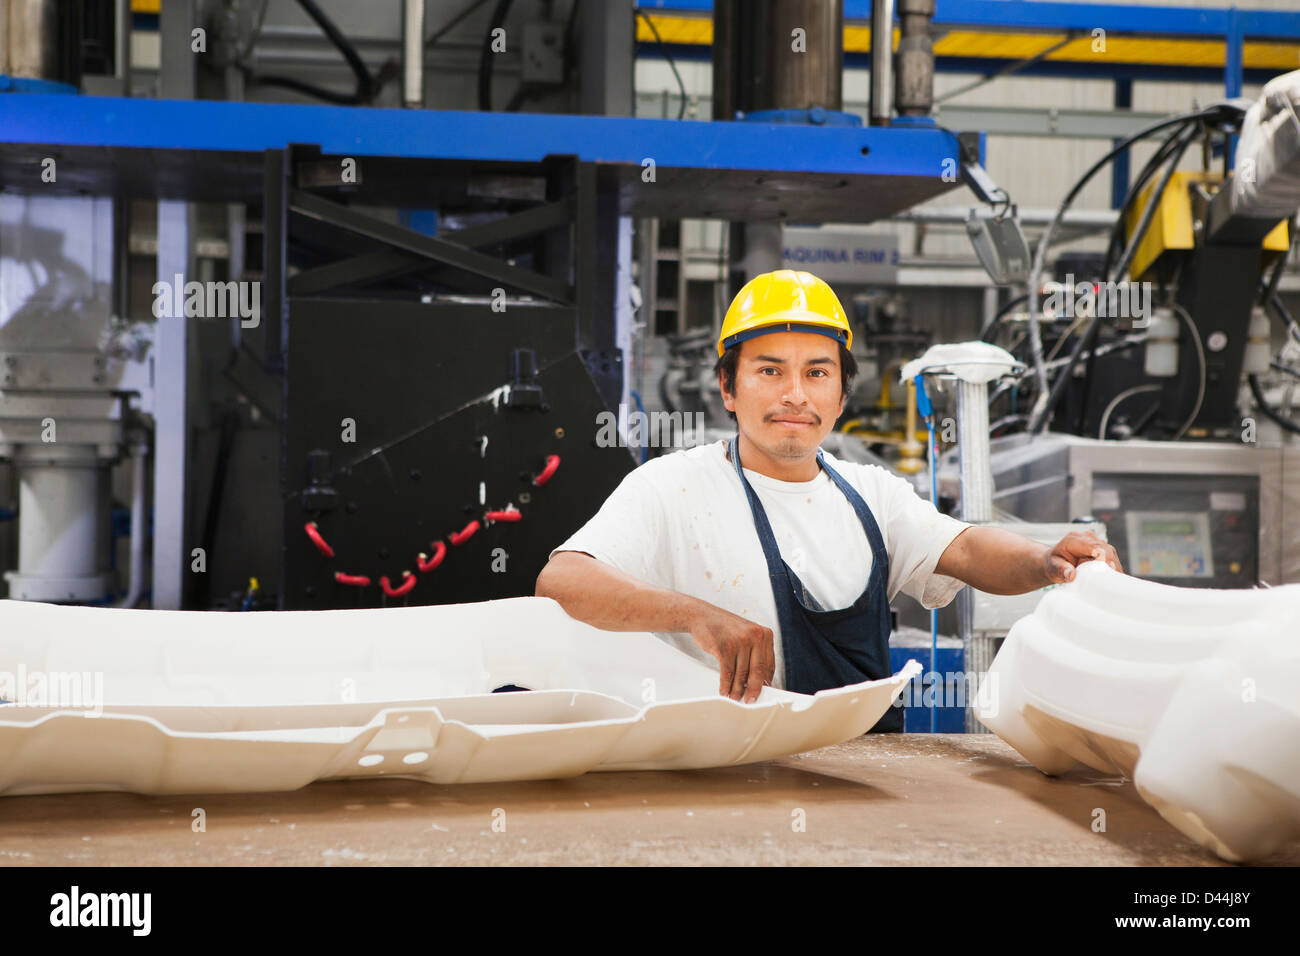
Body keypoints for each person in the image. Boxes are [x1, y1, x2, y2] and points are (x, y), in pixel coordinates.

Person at [536, 269, 1122, 730]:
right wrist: (694, 615)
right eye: (769, 371)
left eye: (817, 373)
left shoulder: (872, 494)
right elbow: (562, 582)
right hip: (716, 779)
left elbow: (966, 548)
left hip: (857, 784)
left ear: (842, 396)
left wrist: (1048, 560)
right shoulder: (671, 487)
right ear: (727, 388)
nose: (794, 394)